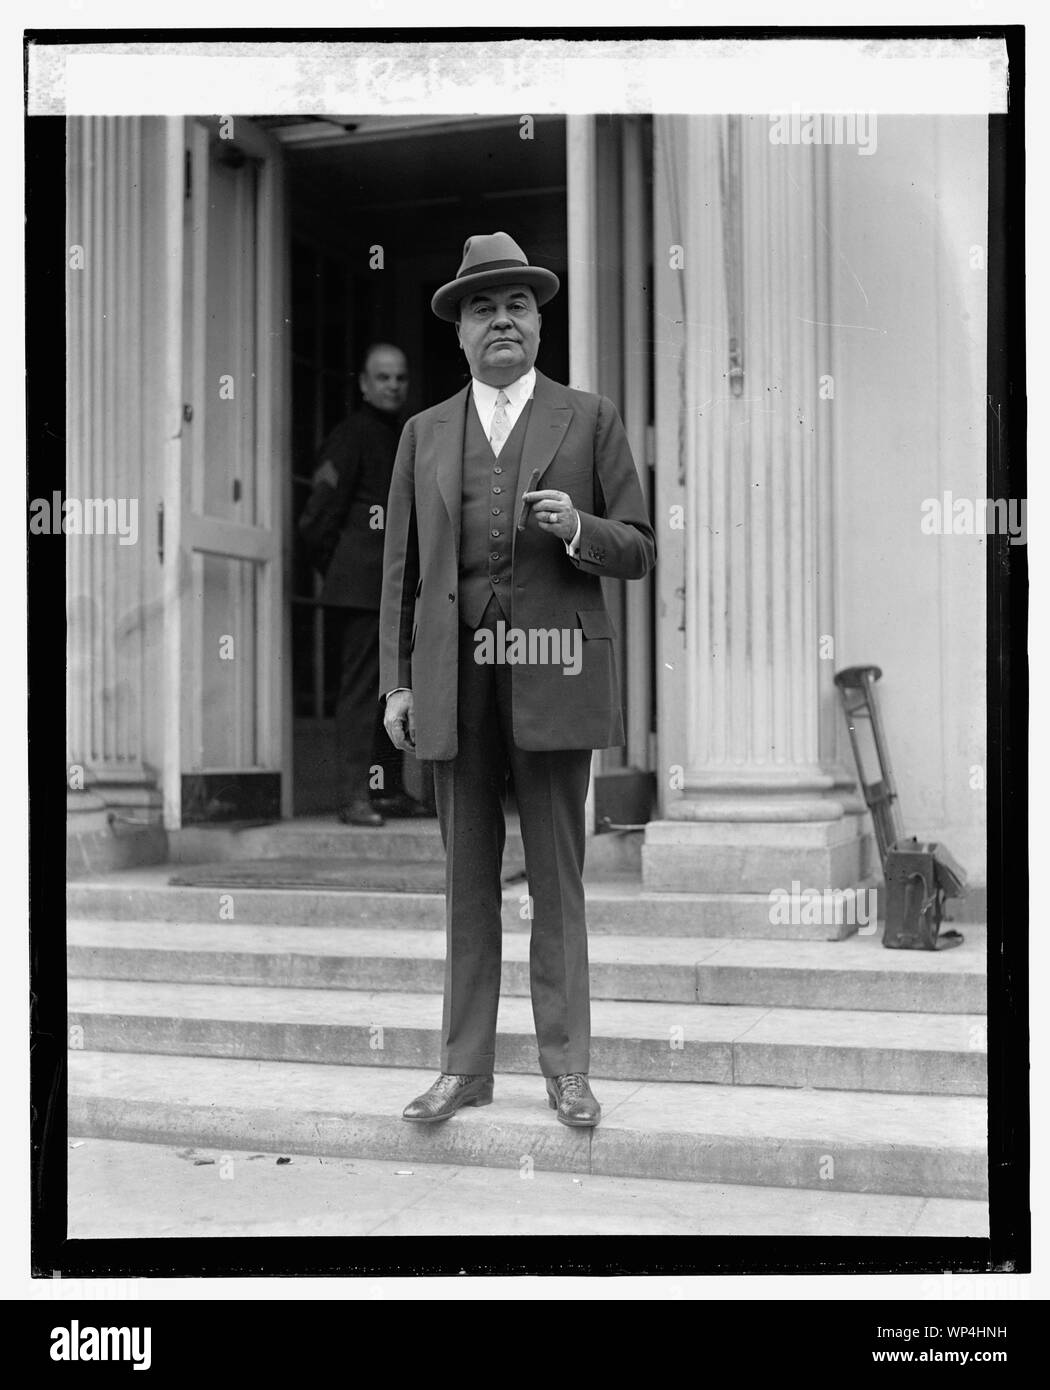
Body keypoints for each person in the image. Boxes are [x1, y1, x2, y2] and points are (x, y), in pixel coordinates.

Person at [379, 233, 655, 1127]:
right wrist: (397, 685)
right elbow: (402, 573)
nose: (501, 319)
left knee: (556, 877)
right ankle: (464, 1069)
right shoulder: (423, 433)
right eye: (481, 307)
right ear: (458, 333)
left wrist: (578, 525)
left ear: (539, 323)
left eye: (518, 305)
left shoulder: (589, 417)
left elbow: (640, 548)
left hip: (552, 671)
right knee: (465, 880)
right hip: (452, 677)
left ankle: (566, 1066)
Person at [299, 343, 431, 825]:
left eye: (399, 377)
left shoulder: (408, 435)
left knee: (394, 689)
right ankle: (355, 796)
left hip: (399, 592)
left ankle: (389, 790)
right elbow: (317, 518)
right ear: (363, 383)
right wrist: (343, 570)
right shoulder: (350, 434)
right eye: (382, 377)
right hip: (360, 593)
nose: (392, 385)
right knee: (360, 694)